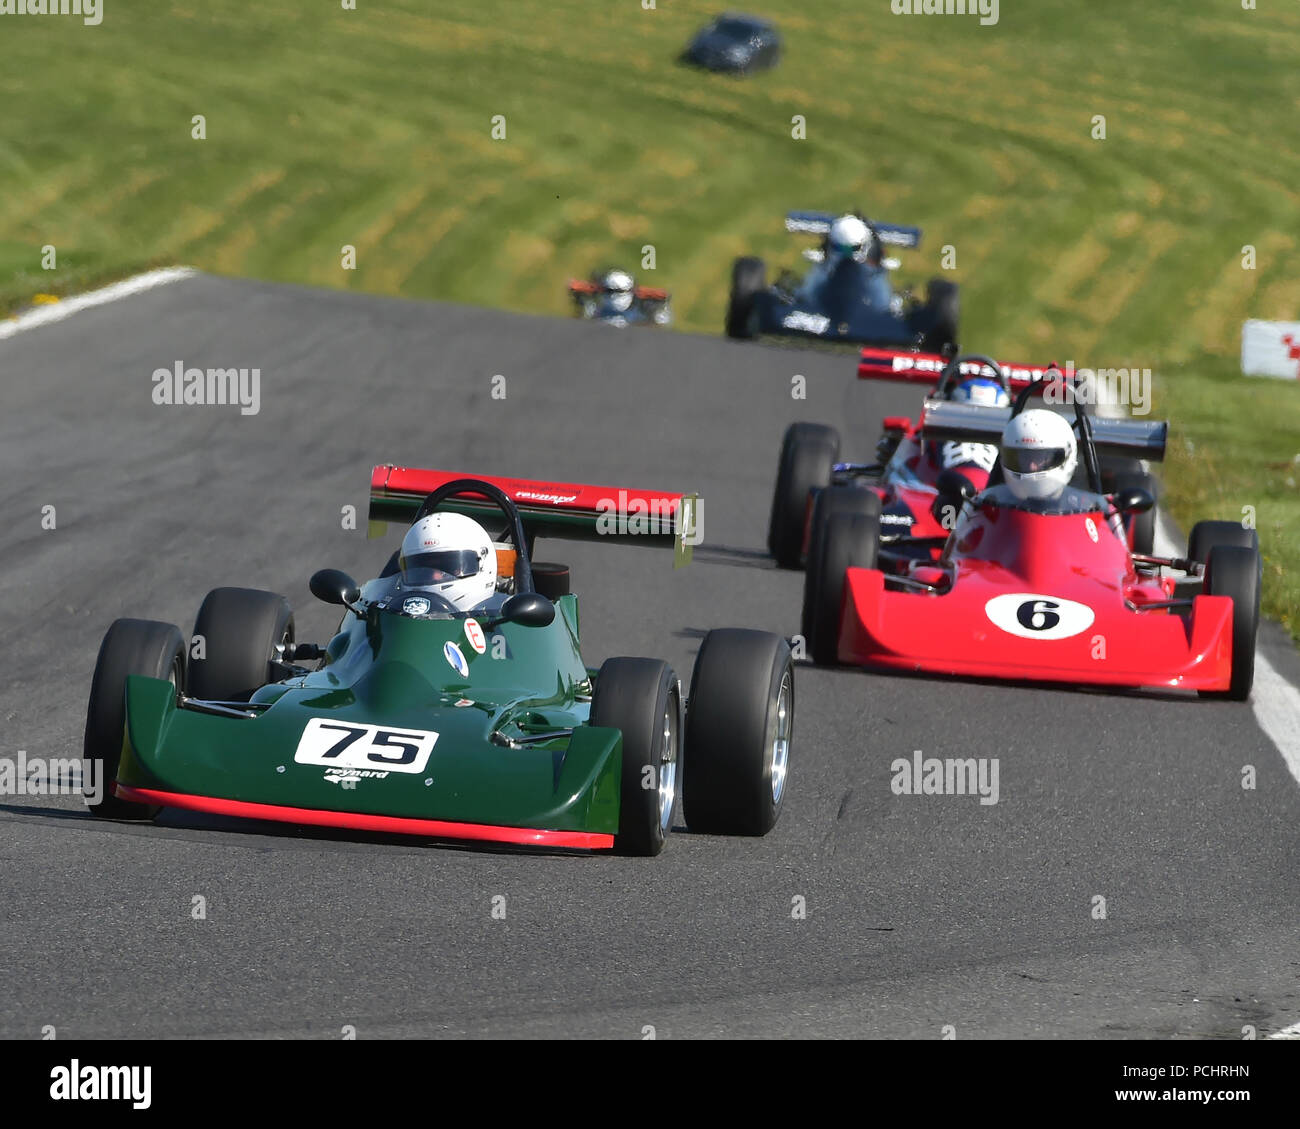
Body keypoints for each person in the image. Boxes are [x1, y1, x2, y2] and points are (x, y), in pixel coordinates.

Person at [395, 512, 497, 612]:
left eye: (448, 567)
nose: (435, 576)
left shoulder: (503, 620)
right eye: (423, 570)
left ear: (483, 564)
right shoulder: (394, 614)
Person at [999, 408, 1079, 501]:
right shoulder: (993, 505)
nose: (1032, 467)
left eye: (1040, 458)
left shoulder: (1086, 508)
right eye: (1025, 457)